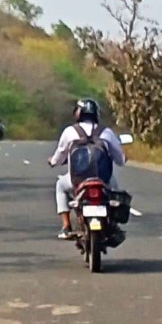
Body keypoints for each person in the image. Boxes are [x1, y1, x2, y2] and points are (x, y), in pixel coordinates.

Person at [49, 98, 126, 239]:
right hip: (103, 180)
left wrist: (53, 162)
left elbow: (60, 155)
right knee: (114, 191)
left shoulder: (70, 131)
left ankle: (66, 226)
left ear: (78, 113)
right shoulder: (106, 132)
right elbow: (120, 159)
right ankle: (113, 224)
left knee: (60, 186)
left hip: (77, 181)